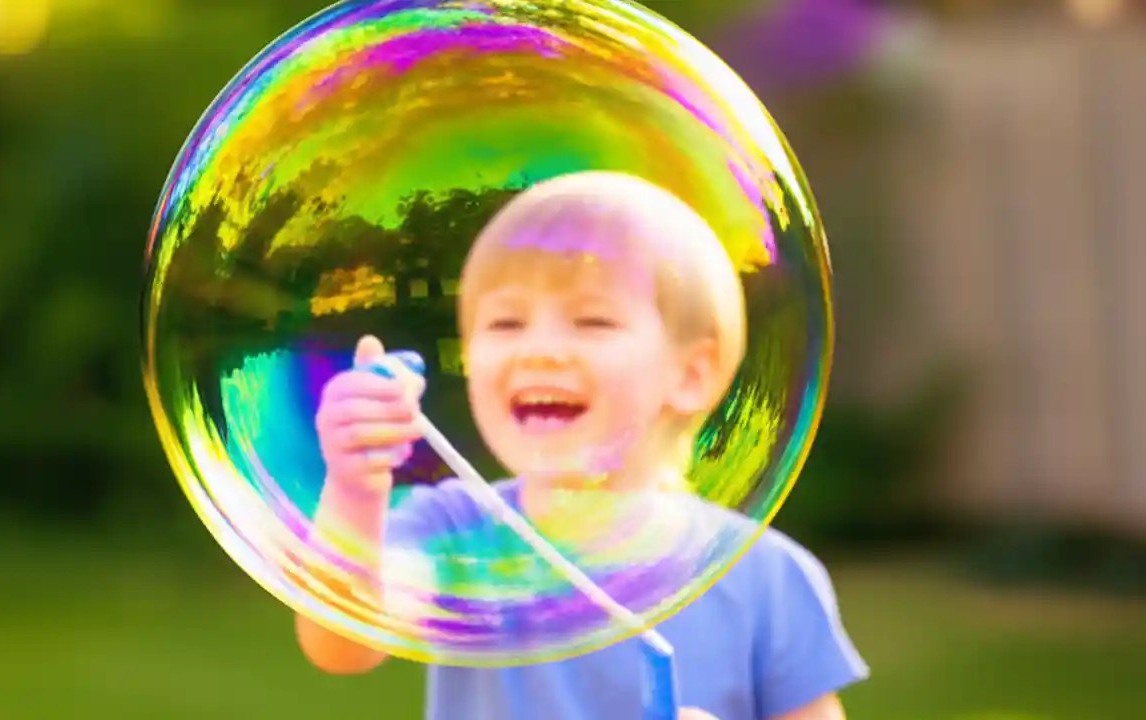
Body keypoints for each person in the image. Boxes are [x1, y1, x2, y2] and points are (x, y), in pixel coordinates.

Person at [297, 171, 868, 720]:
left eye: (593, 321)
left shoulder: (766, 580)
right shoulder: (454, 531)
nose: (539, 350)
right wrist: (355, 487)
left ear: (691, 374)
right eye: (505, 324)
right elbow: (341, 647)